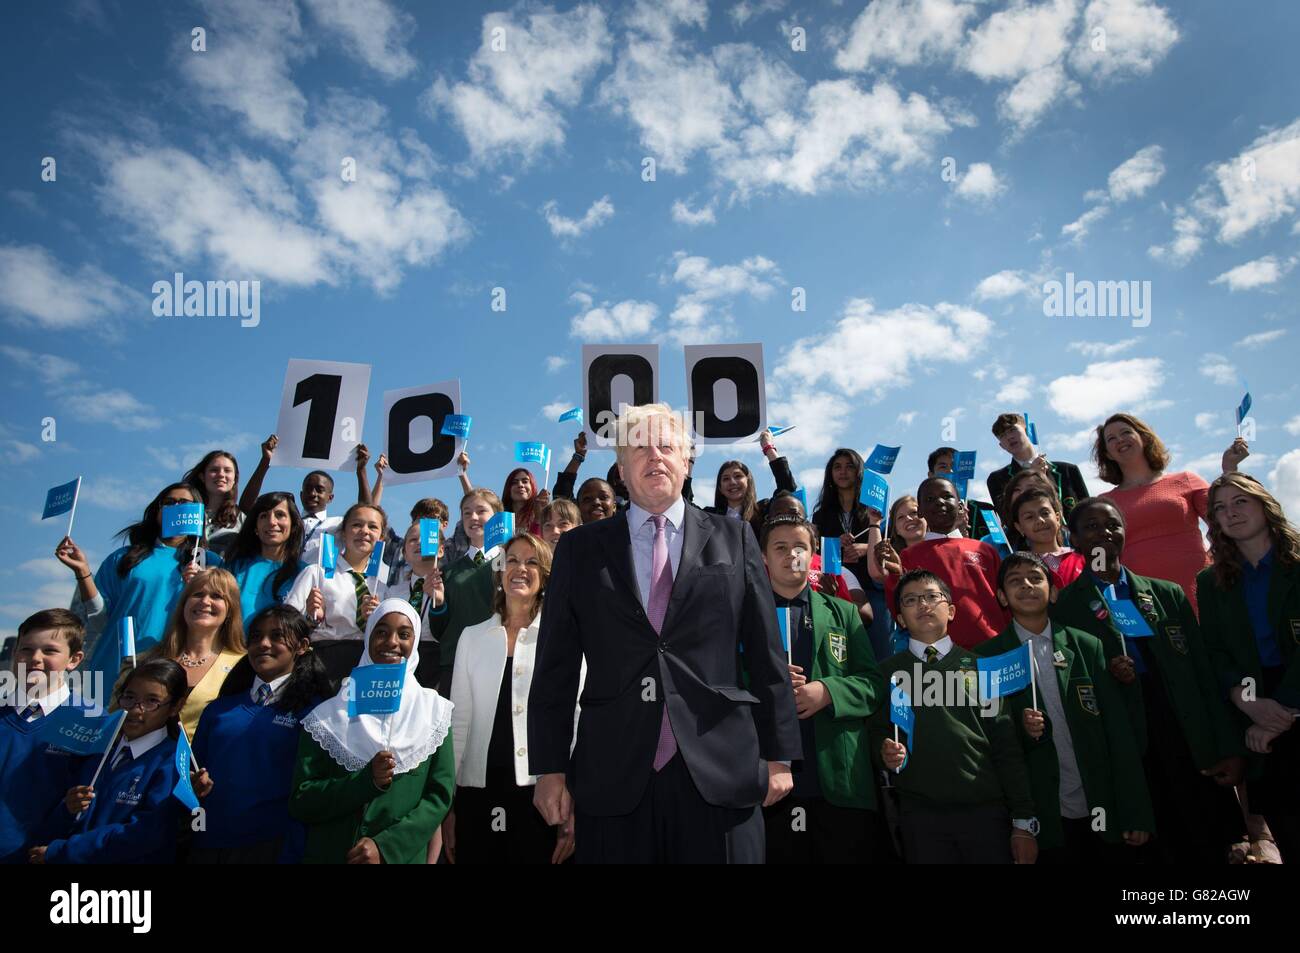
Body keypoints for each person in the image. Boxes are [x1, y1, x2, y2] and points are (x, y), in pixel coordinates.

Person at [529, 402, 801, 864]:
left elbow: (765, 653)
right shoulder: (578, 549)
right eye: (639, 446)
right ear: (619, 467)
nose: (654, 455)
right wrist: (550, 768)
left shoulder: (734, 538)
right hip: (613, 772)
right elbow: (555, 664)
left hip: (721, 768)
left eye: (666, 445)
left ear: (686, 460)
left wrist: (780, 754)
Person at [1052, 498, 1246, 863]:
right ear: (1074, 539)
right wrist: (1107, 673)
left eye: (1113, 525)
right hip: (1127, 741)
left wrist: (1227, 747)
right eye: (1091, 527)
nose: (1105, 534)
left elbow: (1203, 677)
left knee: (1207, 839)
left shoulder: (1167, 593)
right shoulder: (1065, 608)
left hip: (1183, 733)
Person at [976, 553, 1153, 862]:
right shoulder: (989, 657)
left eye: (1035, 578)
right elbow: (992, 734)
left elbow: (1118, 732)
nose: (1027, 585)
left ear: (1053, 591)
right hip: (1042, 811)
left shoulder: (1087, 645)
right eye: (1014, 581)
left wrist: (1135, 811)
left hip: (1099, 804)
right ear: (1002, 597)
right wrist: (1019, 726)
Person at [875, 570, 1038, 864]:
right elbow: (876, 736)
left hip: (986, 814)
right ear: (900, 619)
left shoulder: (984, 669)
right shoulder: (886, 673)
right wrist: (884, 753)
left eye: (931, 596)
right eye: (910, 600)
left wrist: (1023, 821)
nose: (922, 605)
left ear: (950, 610)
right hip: (920, 818)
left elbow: (1006, 747)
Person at [289, 600, 455, 864]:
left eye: (404, 634)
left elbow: (439, 797)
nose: (391, 642)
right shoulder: (327, 717)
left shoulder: (434, 713)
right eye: (381, 632)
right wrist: (365, 783)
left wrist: (386, 848)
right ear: (367, 639)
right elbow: (301, 800)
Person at [761, 515, 886, 863]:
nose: (791, 555)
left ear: (813, 553)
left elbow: (873, 685)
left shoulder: (845, 614)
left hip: (838, 782)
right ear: (763, 558)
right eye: (780, 547)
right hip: (769, 785)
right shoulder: (743, 617)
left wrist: (828, 692)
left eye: (800, 547)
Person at [449, 534, 579, 864]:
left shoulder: (565, 637)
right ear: (500, 572)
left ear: (546, 577)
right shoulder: (471, 637)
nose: (520, 568)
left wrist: (573, 798)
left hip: (542, 792)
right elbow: (458, 725)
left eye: (532, 561)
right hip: (477, 793)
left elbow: (576, 719)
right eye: (512, 560)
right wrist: (447, 805)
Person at [1198, 472, 1299, 860]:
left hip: (1289, 701)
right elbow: (1217, 652)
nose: (1231, 512)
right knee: (1287, 825)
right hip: (1255, 713)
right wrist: (1251, 704)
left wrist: (1284, 709)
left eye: (1240, 501)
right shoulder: (1211, 582)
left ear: (1264, 504)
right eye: (1220, 508)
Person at [189, 605, 335, 863]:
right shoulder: (218, 710)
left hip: (275, 847)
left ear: (301, 646)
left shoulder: (317, 713)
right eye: (255, 637)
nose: (263, 644)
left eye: (277, 636)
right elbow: (192, 775)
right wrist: (194, 790)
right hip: (208, 844)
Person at [30, 659, 187, 864]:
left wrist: (63, 851)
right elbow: (62, 815)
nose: (136, 710)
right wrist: (67, 810)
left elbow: (144, 834)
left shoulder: (172, 762)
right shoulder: (97, 748)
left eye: (151, 701)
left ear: (175, 706)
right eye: (129, 697)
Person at [1094, 413, 1249, 613]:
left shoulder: (1186, 479)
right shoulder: (1104, 503)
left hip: (1199, 590)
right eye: (1111, 439)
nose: (1120, 440)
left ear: (1144, 438)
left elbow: (1226, 518)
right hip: (1141, 600)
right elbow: (1100, 558)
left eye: (1126, 432)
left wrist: (1230, 469)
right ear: (1107, 453)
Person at [58, 482, 221, 650]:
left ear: (197, 513)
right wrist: (82, 571)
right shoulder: (123, 558)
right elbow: (101, 621)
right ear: (157, 511)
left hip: (170, 663)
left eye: (184, 503)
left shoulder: (209, 562)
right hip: (116, 661)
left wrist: (199, 587)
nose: (176, 507)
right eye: (169, 502)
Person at [877, 477, 1008, 648]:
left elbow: (1005, 603)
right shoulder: (909, 556)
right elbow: (900, 612)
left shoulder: (985, 550)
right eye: (930, 499)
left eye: (947, 496)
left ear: (961, 506)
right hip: (941, 657)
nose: (939, 502)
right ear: (921, 511)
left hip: (995, 649)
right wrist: (895, 576)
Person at [0, 610, 87, 864]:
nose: (35, 659)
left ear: (74, 659)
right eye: (26, 649)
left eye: (49, 651)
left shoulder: (93, 721)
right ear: (15, 654)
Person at [284, 502, 388, 682]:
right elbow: (285, 623)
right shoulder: (316, 573)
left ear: (381, 538)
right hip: (321, 662)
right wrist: (310, 618)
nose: (364, 531)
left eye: (372, 527)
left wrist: (376, 621)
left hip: (364, 665)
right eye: (357, 525)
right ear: (343, 532)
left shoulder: (382, 587)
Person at [142, 568, 246, 739]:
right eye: (197, 594)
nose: (205, 601)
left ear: (230, 610)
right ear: (184, 605)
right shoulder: (150, 659)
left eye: (216, 596)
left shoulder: (243, 665)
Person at [429, 489, 503, 694]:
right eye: (467, 512)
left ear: (496, 517)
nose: (474, 517)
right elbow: (439, 630)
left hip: (498, 662)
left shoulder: (510, 565)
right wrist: (439, 603)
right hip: (456, 664)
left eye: (481, 511)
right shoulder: (448, 571)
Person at [987, 414, 1091, 520]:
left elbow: (1090, 510)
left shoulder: (1067, 470)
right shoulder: (997, 479)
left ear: (1027, 431)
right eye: (1002, 435)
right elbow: (1007, 517)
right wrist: (1032, 478)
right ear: (1001, 445)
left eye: (1013, 430)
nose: (1009, 437)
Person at [383, 518, 447, 687]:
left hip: (436, 667)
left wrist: (439, 603)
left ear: (440, 550)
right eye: (412, 540)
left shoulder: (450, 587)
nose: (419, 542)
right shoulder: (393, 593)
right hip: (399, 664)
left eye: (425, 538)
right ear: (404, 553)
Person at [224, 492, 305, 624]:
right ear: (255, 527)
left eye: (280, 515)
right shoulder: (234, 568)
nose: (272, 522)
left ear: (293, 526)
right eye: (264, 516)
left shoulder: (306, 573)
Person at [1010, 484, 1084, 588]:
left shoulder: (1084, 560)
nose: (1040, 520)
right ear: (1019, 528)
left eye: (1045, 513)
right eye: (1029, 517)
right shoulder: (1016, 569)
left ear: (1058, 518)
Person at [184, 450, 244, 558]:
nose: (221, 474)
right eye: (214, 470)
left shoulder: (241, 518)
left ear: (235, 479)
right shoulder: (186, 513)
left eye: (227, 470)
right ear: (202, 476)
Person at [502, 467, 549, 537]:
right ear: (508, 488)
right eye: (514, 482)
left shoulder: (544, 515)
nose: (520, 485)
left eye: (525, 481)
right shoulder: (499, 517)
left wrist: (538, 518)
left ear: (532, 486)